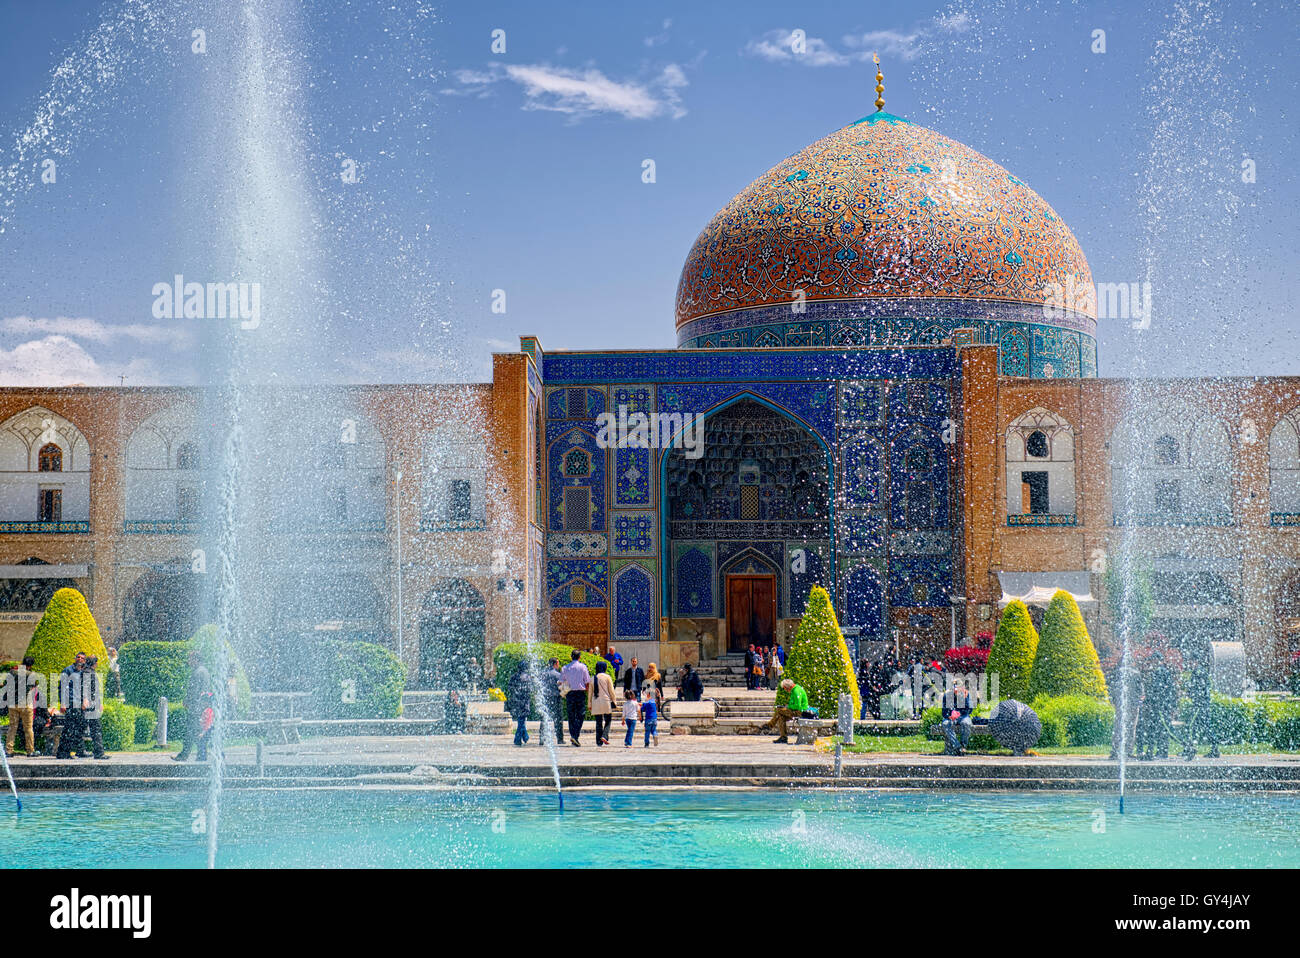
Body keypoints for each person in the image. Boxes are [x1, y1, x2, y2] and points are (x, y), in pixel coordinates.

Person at [173, 649, 214, 762]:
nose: (189, 661)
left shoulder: (198, 672)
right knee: (195, 731)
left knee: (191, 731)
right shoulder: (204, 671)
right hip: (201, 706)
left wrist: (187, 701)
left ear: (196, 659)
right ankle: (198, 754)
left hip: (196, 706)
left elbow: (194, 690)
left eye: (190, 658)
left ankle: (189, 755)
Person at [56, 653, 89, 759]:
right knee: (69, 729)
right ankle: (63, 752)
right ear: (75, 659)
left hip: (79, 704)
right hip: (70, 703)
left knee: (79, 727)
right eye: (78, 657)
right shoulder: (68, 670)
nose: (80, 659)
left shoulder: (83, 672)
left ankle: (80, 750)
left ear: (84, 661)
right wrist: (63, 703)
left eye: (82, 658)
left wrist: (85, 700)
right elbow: (62, 687)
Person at [4, 656, 37, 757]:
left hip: (12, 703)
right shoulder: (31, 674)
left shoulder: (12, 672)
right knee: (28, 728)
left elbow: (6, 684)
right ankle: (30, 750)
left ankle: (9, 750)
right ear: (30, 666)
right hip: (25, 704)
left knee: (12, 727)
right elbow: (32, 687)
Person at [560, 650, 591, 746]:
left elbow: (561, 681)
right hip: (580, 693)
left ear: (571, 657)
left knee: (571, 715)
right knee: (581, 715)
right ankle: (575, 735)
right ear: (579, 657)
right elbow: (587, 682)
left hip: (570, 693)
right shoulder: (583, 667)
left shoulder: (565, 668)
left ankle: (573, 735)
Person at [83, 656, 108, 759]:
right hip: (90, 704)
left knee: (84, 728)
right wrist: (85, 699)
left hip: (91, 703)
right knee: (96, 728)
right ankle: (98, 752)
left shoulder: (87, 672)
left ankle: (95, 751)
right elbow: (86, 687)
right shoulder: (89, 673)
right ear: (94, 663)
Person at [769, 678, 809, 744]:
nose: (785, 690)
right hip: (796, 711)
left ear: (786, 687)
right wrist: (787, 706)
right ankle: (783, 737)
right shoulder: (795, 689)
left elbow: (798, 706)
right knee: (781, 717)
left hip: (800, 712)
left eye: (784, 688)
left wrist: (788, 707)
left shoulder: (796, 691)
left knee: (779, 710)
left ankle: (770, 725)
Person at [941, 681, 974, 755]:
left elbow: (970, 710)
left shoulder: (966, 694)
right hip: (951, 717)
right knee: (946, 724)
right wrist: (949, 715)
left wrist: (965, 699)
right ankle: (957, 746)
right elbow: (944, 712)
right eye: (955, 687)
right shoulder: (947, 695)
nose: (957, 690)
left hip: (963, 716)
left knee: (966, 723)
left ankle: (963, 745)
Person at [589, 660, 616, 746]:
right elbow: (611, 691)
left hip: (596, 702)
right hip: (606, 701)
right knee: (608, 720)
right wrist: (614, 700)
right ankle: (604, 735)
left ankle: (598, 741)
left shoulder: (593, 678)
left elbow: (590, 693)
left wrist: (589, 704)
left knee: (598, 722)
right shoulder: (607, 677)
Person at [538, 657, 564, 746]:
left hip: (545, 698)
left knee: (544, 718)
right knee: (558, 719)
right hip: (556, 697)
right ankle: (560, 739)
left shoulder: (542, 674)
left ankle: (542, 738)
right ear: (555, 663)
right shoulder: (558, 675)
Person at [507, 662, 533, 746]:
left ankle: (523, 736)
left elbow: (510, 687)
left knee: (520, 719)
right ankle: (519, 738)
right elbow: (530, 689)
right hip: (524, 700)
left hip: (516, 700)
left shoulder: (514, 676)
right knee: (522, 719)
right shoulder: (528, 677)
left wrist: (515, 694)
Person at [639, 680, 660, 747]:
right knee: (654, 730)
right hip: (654, 719)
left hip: (648, 719)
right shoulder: (654, 702)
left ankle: (647, 744)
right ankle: (655, 735)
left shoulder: (646, 703)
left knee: (647, 732)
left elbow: (642, 709)